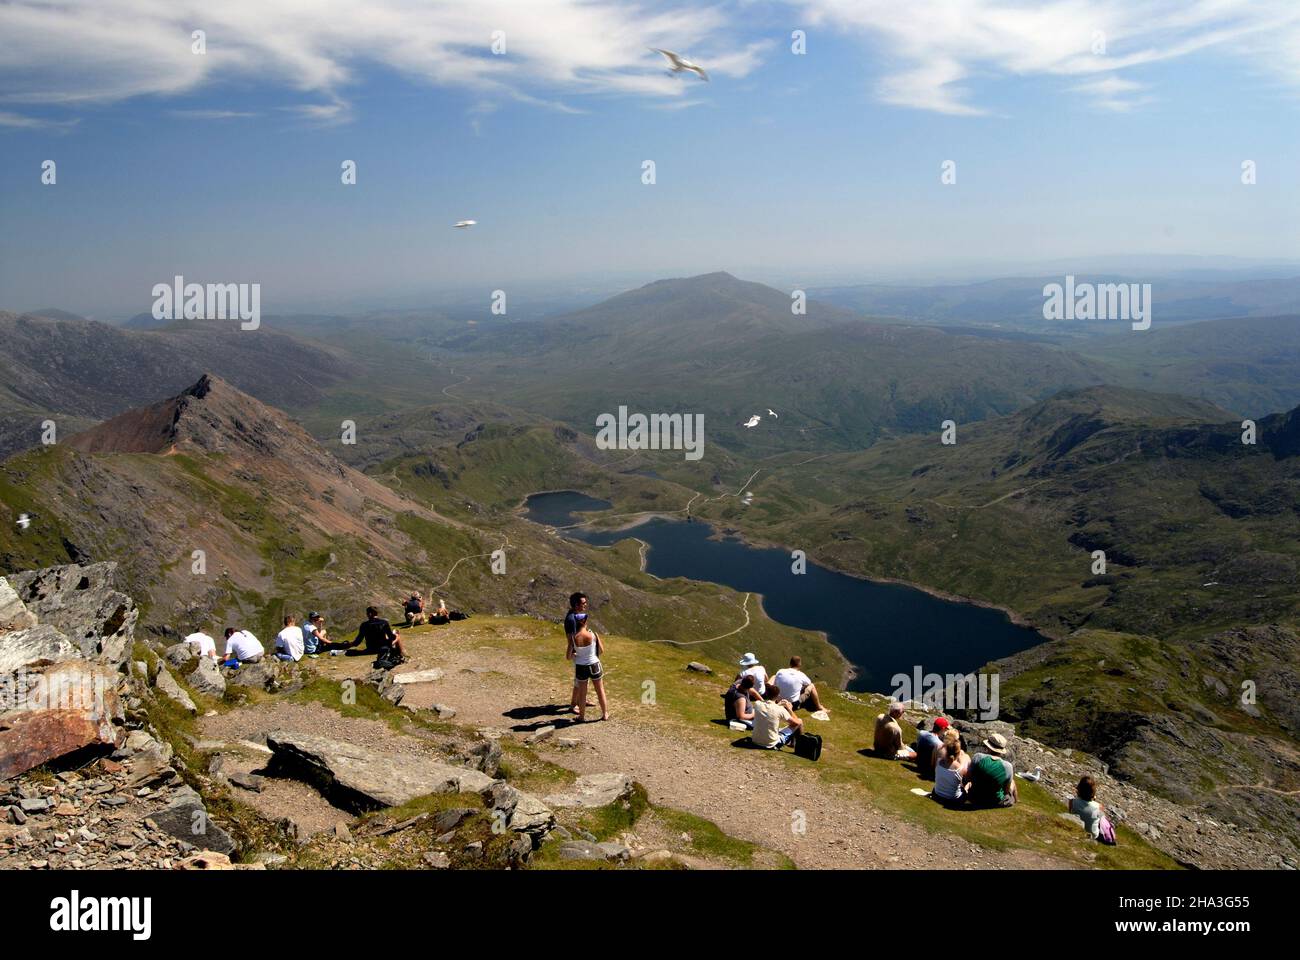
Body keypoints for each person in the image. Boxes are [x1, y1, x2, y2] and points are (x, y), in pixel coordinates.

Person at [568, 619, 608, 722]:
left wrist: (576, 655)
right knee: (600, 690)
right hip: (594, 664)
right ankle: (605, 714)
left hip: (581, 667)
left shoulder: (573, 638)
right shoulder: (593, 635)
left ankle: (581, 717)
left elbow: (568, 656)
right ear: (585, 623)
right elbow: (601, 651)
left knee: (582, 693)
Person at [964, 733, 1018, 808]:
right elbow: (1006, 791)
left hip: (974, 798)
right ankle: (1015, 801)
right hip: (995, 802)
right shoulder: (1008, 766)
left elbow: (967, 778)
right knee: (1012, 782)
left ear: (988, 746)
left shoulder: (978, 757)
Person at [563, 593, 591, 713]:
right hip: (578, 653)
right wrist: (572, 653)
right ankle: (573, 705)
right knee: (579, 680)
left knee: (583, 678)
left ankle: (582, 699)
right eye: (583, 603)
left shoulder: (576, 616)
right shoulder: (571, 619)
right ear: (576, 604)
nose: (585, 605)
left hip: (582, 652)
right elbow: (572, 639)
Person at [932, 728, 970, 804]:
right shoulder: (961, 768)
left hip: (936, 794)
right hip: (953, 800)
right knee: (969, 785)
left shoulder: (939, 761)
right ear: (958, 753)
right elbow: (965, 782)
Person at [1069, 775, 1104, 840]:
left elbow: (1071, 814)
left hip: (1075, 830)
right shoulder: (1099, 807)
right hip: (1092, 836)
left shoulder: (1072, 802)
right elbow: (1100, 822)